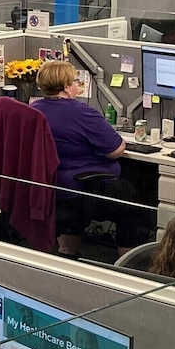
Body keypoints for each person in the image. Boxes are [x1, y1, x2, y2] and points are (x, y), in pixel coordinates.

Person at [30, 61, 130, 256]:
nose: (78, 85)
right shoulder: (81, 112)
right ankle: (129, 266)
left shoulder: (33, 109)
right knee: (133, 207)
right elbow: (116, 150)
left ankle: (67, 250)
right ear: (67, 87)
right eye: (76, 81)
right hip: (79, 186)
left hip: (49, 183)